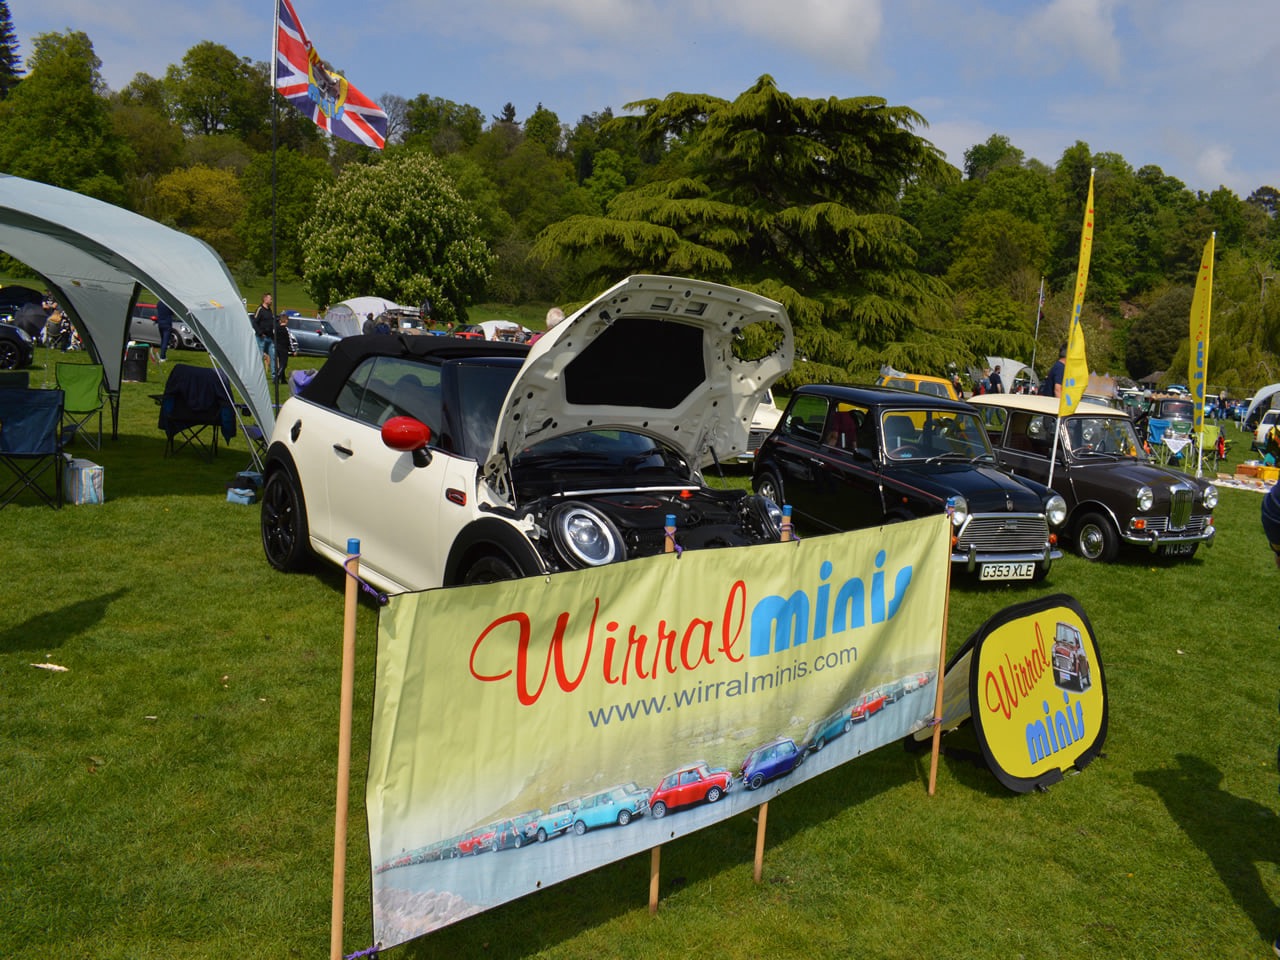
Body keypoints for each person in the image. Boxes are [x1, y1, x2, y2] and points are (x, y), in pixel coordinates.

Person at [252, 294, 276, 377]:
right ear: (265, 299)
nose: (271, 301)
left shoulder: (269, 310)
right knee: (260, 357)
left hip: (270, 337)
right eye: (270, 299)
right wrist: (260, 333)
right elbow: (254, 322)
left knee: (273, 356)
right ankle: (259, 375)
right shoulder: (260, 309)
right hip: (261, 338)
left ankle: (274, 376)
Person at [273, 312, 292, 384]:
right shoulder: (286, 329)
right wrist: (293, 350)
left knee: (280, 362)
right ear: (286, 320)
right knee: (284, 364)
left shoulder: (276, 329)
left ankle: (283, 379)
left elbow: (273, 336)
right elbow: (290, 340)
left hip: (277, 347)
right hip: (284, 348)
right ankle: (277, 377)